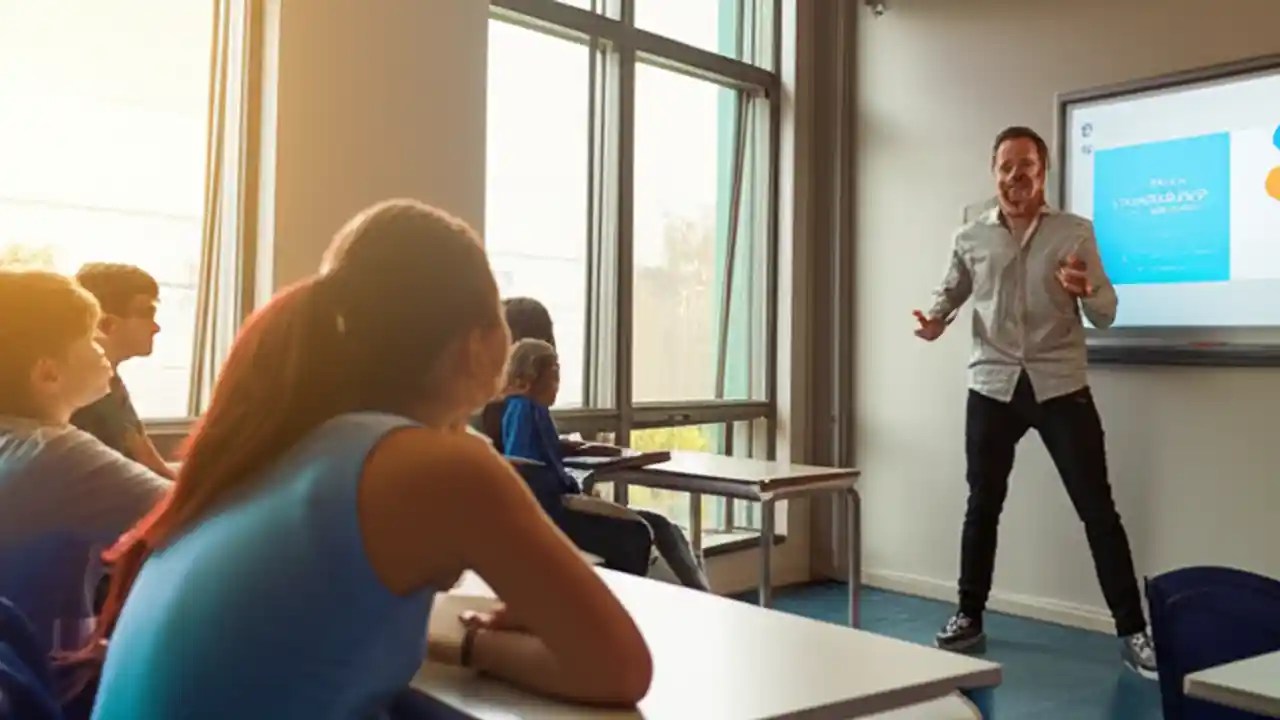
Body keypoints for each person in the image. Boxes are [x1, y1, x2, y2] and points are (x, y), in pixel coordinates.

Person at [83, 200, 652, 719]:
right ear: (479, 342)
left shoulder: (270, 446)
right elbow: (619, 669)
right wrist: (474, 640)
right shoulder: (440, 465)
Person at [913, 126, 1157, 678]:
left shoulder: (1075, 233)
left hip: (1059, 385)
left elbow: (1107, 312)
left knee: (1098, 510)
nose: (1015, 176)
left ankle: (1133, 632)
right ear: (994, 170)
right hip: (992, 386)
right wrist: (934, 320)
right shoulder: (970, 236)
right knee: (983, 505)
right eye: (1006, 166)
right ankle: (968, 616)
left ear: (1042, 172)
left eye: (1026, 166)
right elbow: (951, 292)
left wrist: (1085, 287)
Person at [0, 270, 170, 653]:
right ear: (48, 374)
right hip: (39, 686)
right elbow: (201, 516)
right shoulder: (56, 455)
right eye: (92, 338)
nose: (102, 346)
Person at [501, 339, 711, 591]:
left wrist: (574, 449)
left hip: (554, 505)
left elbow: (538, 453)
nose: (557, 386)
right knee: (643, 528)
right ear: (535, 376)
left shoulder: (519, 409)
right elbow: (532, 469)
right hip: (556, 510)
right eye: (555, 376)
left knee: (661, 526)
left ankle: (696, 592)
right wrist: (571, 482)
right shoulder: (528, 410)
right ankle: (694, 594)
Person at [70, 264, 174, 480]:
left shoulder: (112, 383)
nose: (156, 327)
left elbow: (151, 464)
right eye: (147, 313)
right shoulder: (78, 397)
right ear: (106, 324)